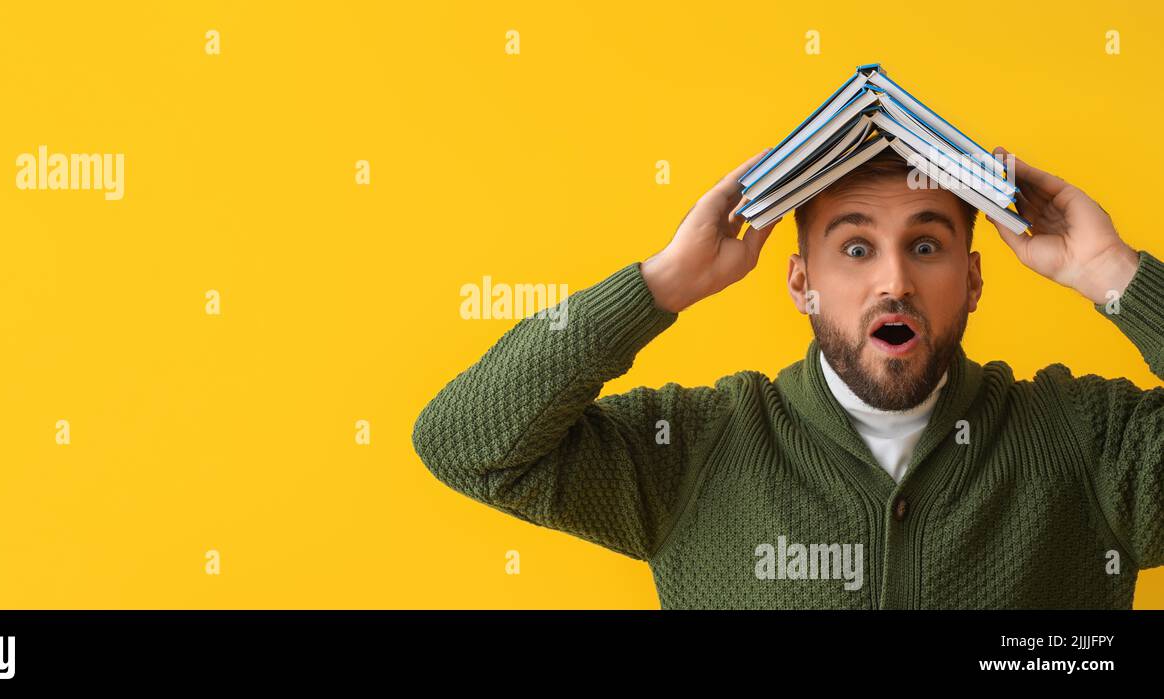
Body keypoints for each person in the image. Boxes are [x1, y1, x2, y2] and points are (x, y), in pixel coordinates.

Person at [412, 144, 1162, 609]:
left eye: (926, 247)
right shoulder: (694, 449)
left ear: (971, 281)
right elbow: (465, 442)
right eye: (857, 249)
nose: (893, 282)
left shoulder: (1090, 441)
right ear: (801, 282)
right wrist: (662, 283)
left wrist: (1113, 273)